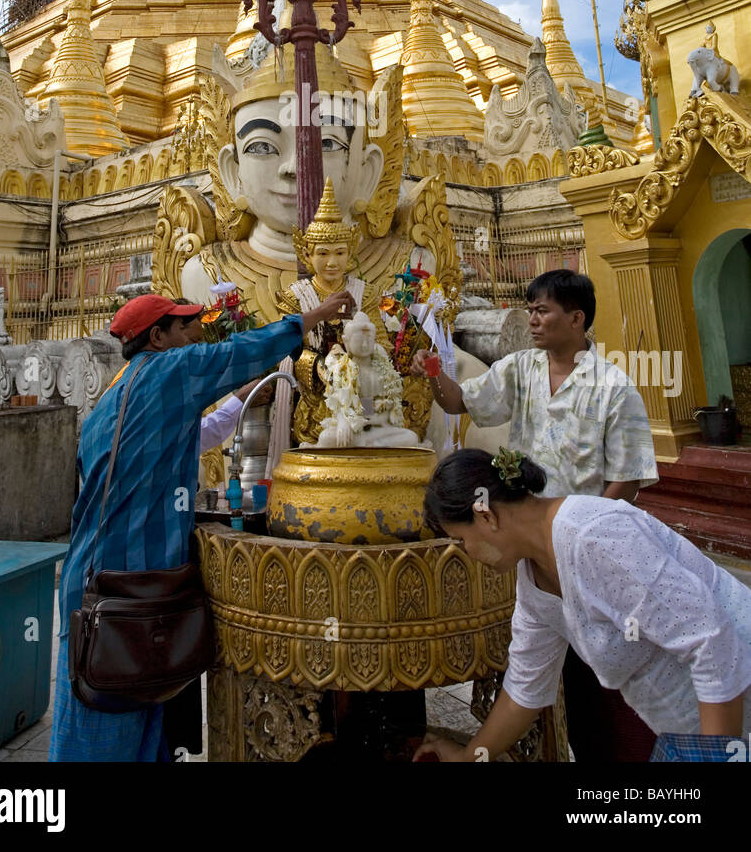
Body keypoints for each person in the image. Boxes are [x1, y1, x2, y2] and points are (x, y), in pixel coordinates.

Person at [50, 287, 356, 762]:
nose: (199, 337)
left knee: (138, 711)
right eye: (188, 328)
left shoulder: (120, 395)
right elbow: (239, 350)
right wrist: (310, 316)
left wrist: (236, 399)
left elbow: (192, 438)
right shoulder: (172, 372)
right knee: (100, 732)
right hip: (118, 588)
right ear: (158, 337)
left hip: (105, 581)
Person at [410, 269, 659, 761]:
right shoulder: (519, 368)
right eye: (530, 309)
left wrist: (580, 538)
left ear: (576, 318)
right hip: (531, 541)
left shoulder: (613, 386)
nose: (533, 319)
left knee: (604, 672)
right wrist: (434, 374)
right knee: (541, 663)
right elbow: (461, 403)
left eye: (543, 310)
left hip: (592, 548)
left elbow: (627, 477)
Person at [414, 448, 751, 762]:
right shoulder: (534, 577)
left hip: (734, 706)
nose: (467, 553)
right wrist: (469, 757)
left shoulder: (592, 536)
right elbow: (525, 688)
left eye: (461, 540)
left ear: (486, 515)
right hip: (695, 729)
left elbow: (710, 640)